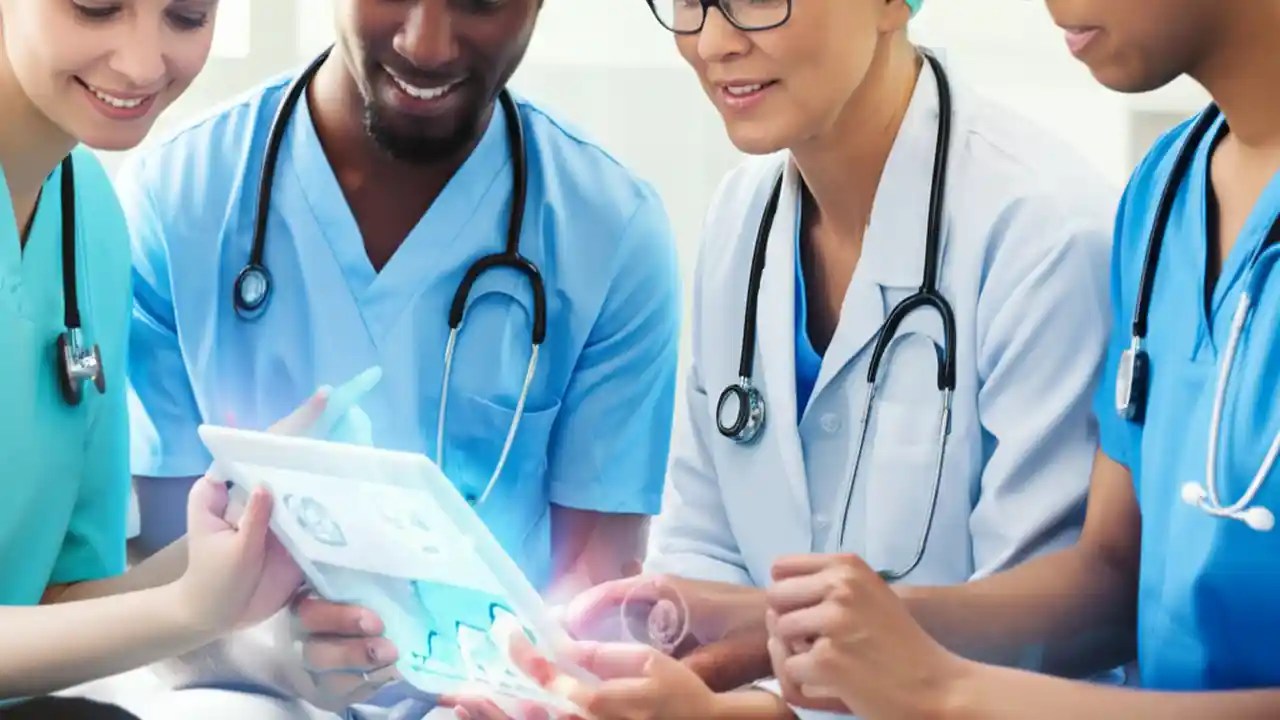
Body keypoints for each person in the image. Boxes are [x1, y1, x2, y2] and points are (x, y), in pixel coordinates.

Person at [507, 0, 1280, 718]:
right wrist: (719, 637)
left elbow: (1068, 639)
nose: (713, 40)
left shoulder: (1048, 232)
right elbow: (1108, 577)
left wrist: (829, 682)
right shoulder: (1165, 194)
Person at [113, 0, 682, 717]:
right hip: (247, 693)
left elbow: (597, 605)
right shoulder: (179, 198)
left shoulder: (610, 232)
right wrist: (274, 656)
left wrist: (523, 689)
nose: (427, 44)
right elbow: (152, 590)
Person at [0, 0, 330, 710]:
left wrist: (242, 537)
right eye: (95, 8)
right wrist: (187, 613)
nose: (143, 63)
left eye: (185, 16)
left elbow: (56, 600)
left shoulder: (90, 216)